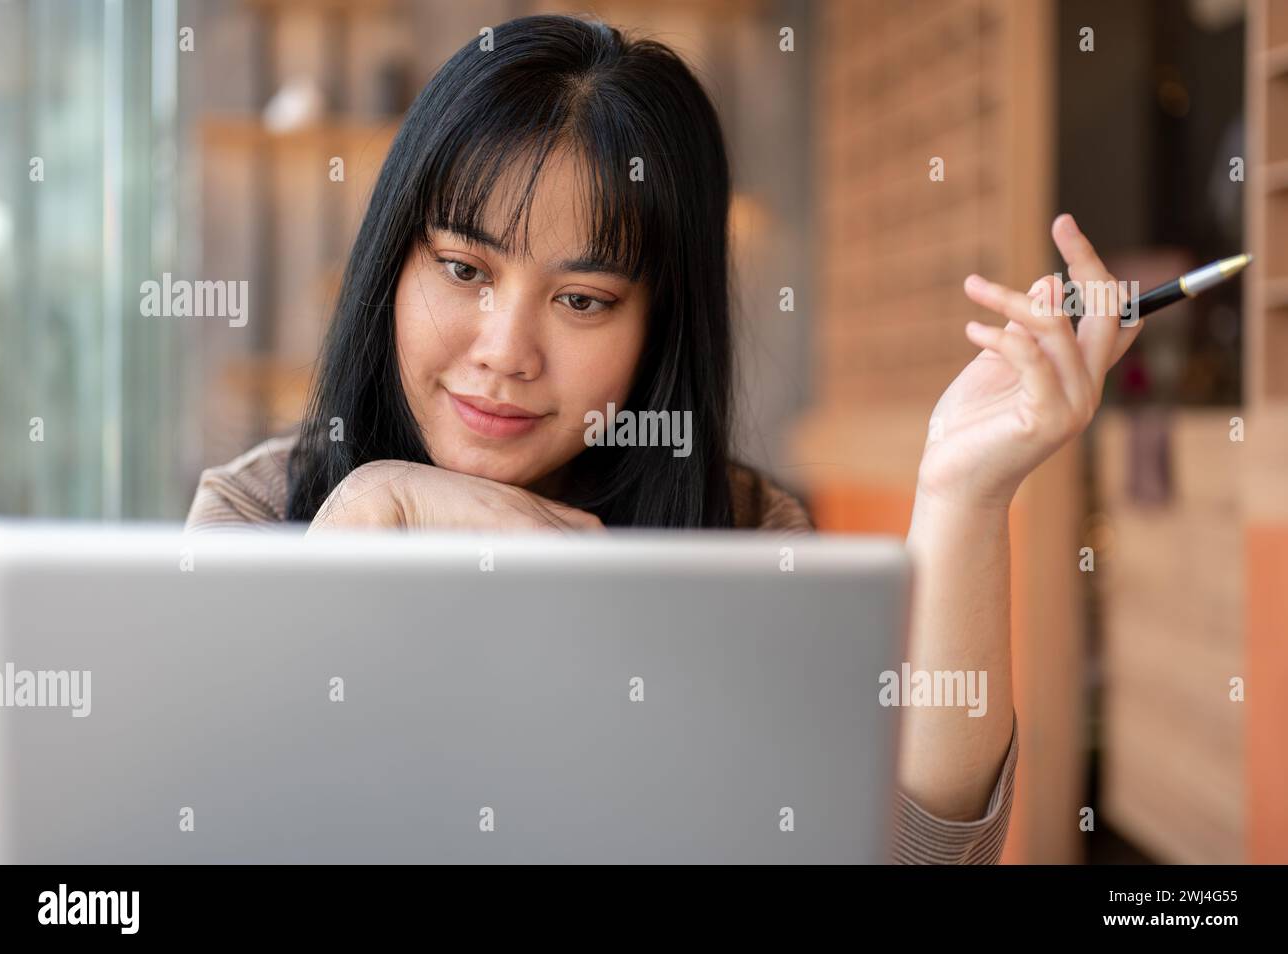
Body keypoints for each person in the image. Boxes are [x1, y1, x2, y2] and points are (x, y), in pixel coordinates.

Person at [187, 14, 1144, 863]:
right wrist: (367, 513)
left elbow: (916, 859)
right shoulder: (257, 510)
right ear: (391, 263)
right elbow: (199, 823)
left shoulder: (743, 536)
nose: (505, 351)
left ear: (658, 326)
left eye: (582, 299)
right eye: (462, 268)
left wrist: (961, 494)